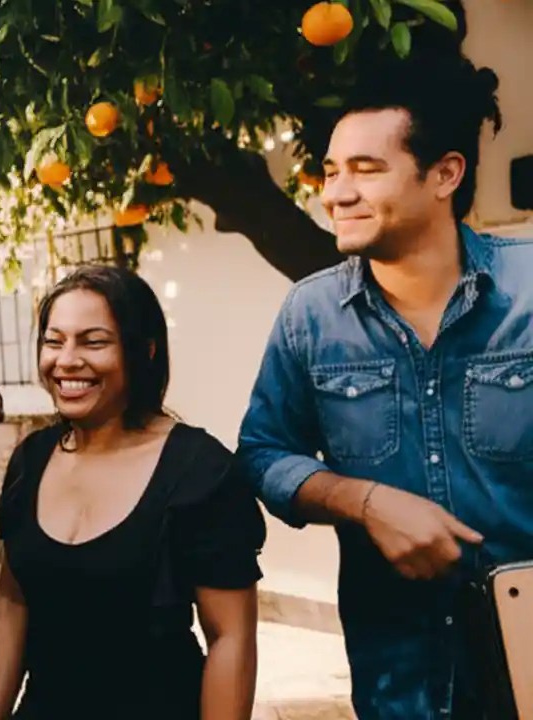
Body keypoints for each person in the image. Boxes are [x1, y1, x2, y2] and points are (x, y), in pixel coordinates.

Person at [236, 53, 527, 718]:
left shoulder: (530, 293)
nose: (336, 192)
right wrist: (364, 501)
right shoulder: (311, 316)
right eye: (332, 171)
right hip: (399, 682)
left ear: (444, 174)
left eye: (366, 170)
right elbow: (261, 452)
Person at [0, 264, 264, 719]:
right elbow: (13, 604)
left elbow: (231, 636)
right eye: (54, 341)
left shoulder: (199, 470)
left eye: (94, 342)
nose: (66, 360)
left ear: (144, 352)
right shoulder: (31, 459)